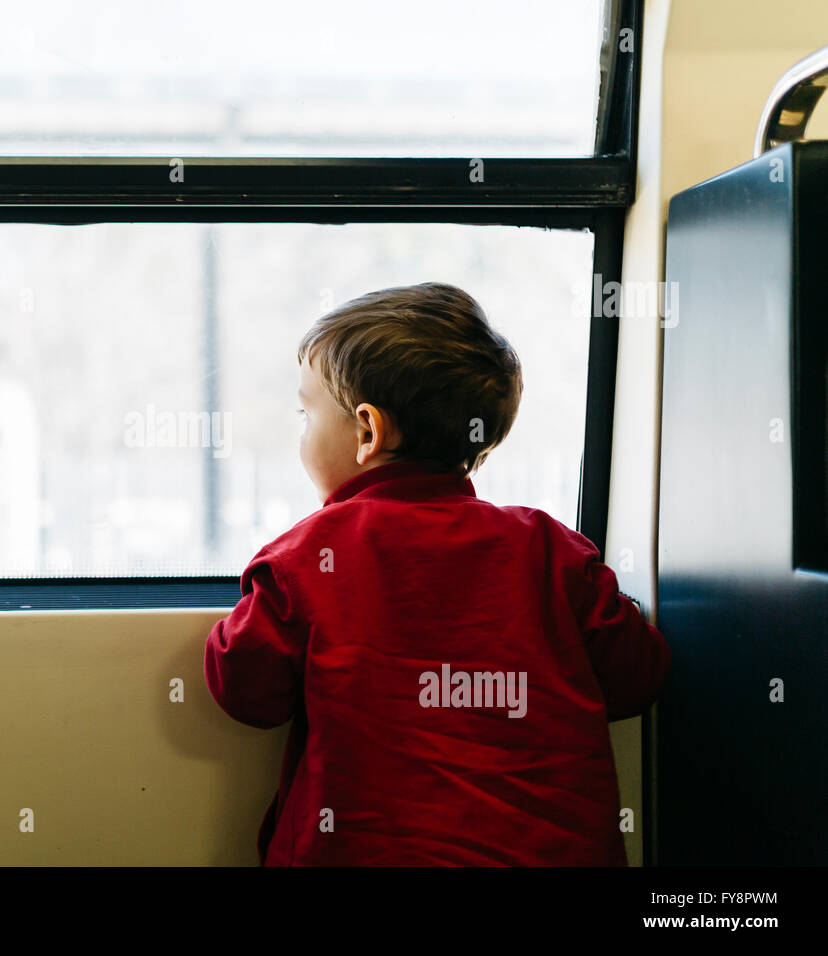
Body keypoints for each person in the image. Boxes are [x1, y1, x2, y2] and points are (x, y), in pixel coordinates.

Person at [204, 282, 671, 865]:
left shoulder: (309, 556)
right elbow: (637, 676)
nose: (301, 433)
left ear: (367, 431)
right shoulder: (549, 547)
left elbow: (246, 690)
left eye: (306, 414)